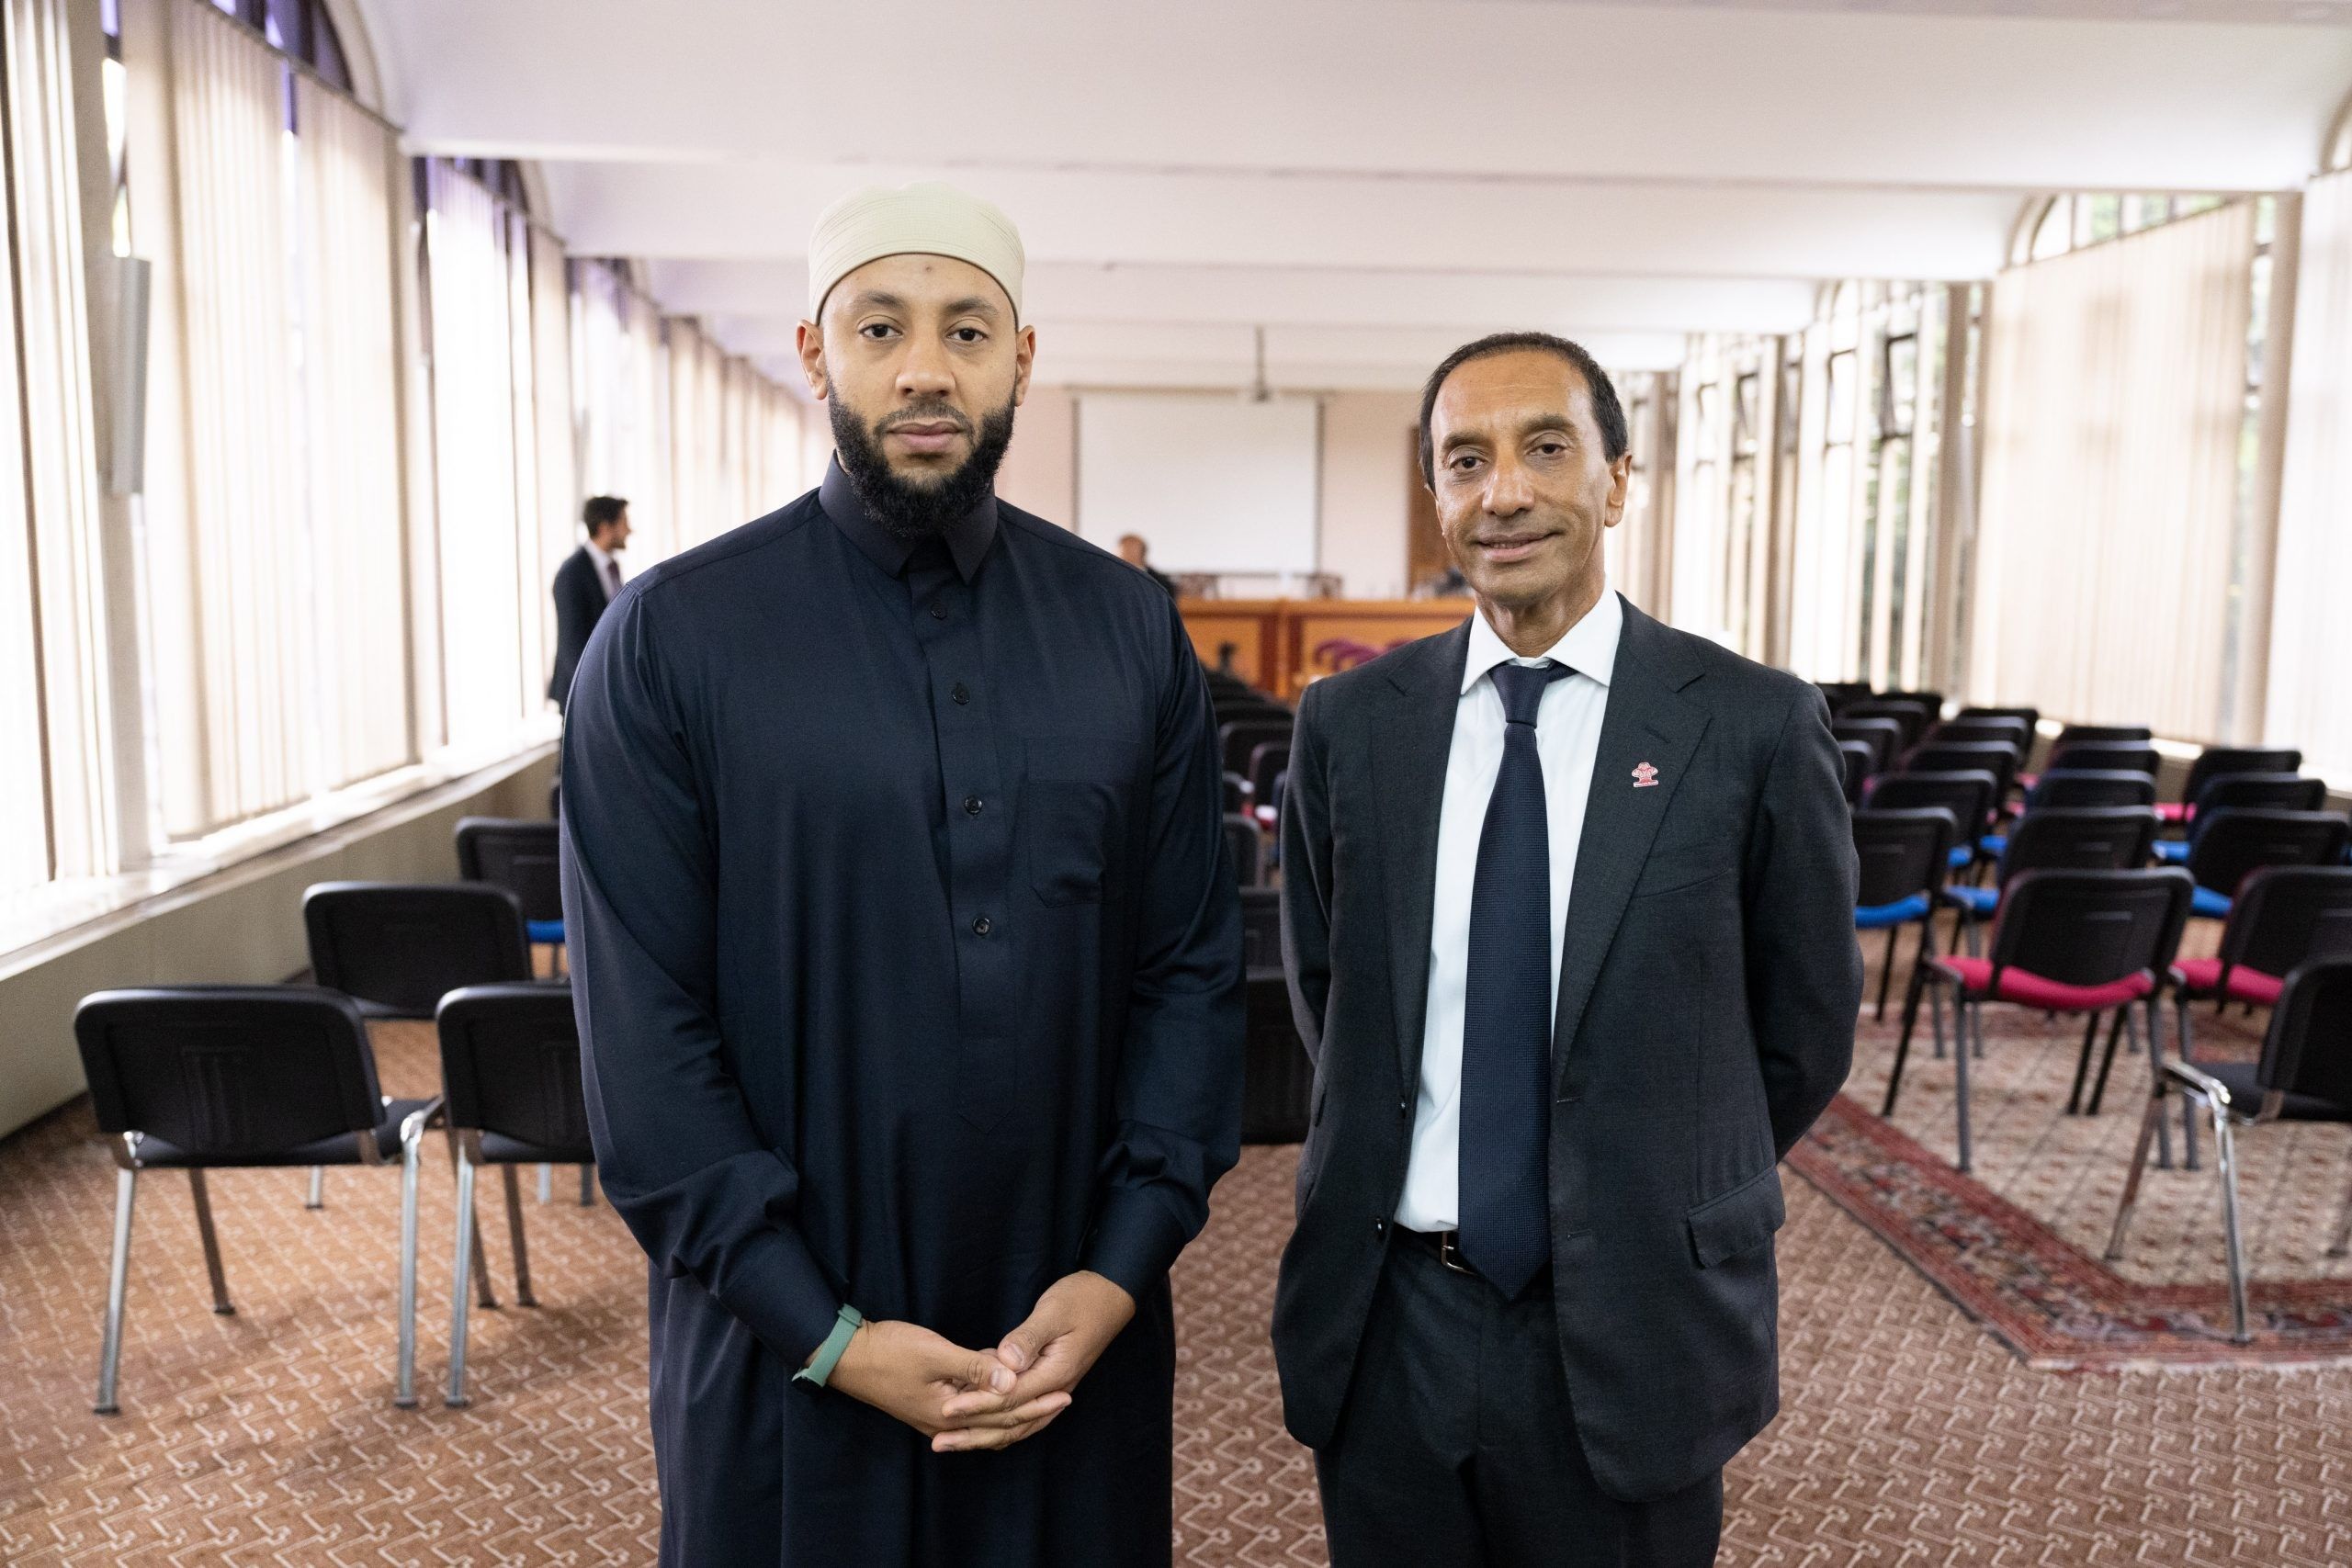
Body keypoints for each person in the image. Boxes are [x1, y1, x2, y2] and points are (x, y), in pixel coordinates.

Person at [559, 181, 1245, 1567]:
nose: (926, 365)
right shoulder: (670, 639)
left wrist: (1119, 1270)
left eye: (967, 330)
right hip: (786, 1354)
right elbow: (645, 1037)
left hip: (1070, 1338)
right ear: (820, 354)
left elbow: (1189, 972)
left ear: (1020, 362)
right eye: (882, 326)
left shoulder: (1127, 631)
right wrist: (826, 1328)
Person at [1273, 332, 1861, 1567]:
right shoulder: (1348, 725)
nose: (1506, 491)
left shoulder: (1752, 722)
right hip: (1391, 1321)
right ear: (1436, 494)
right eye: (1465, 459)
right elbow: (1333, 993)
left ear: (1616, 478)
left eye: (1547, 448)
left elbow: (1800, 1032)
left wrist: (1654, 1171)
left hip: (1638, 1315)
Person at [548, 496, 630, 713]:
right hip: (582, 693)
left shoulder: (611, 567)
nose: (630, 530)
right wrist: (592, 695)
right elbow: (571, 643)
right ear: (605, 528)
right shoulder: (571, 573)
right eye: (624, 523)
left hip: (605, 690)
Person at [1118, 532, 1180, 597]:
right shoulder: (1112, 578)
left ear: (1143, 552)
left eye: (1131, 549)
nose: (1125, 554)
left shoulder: (1162, 583)